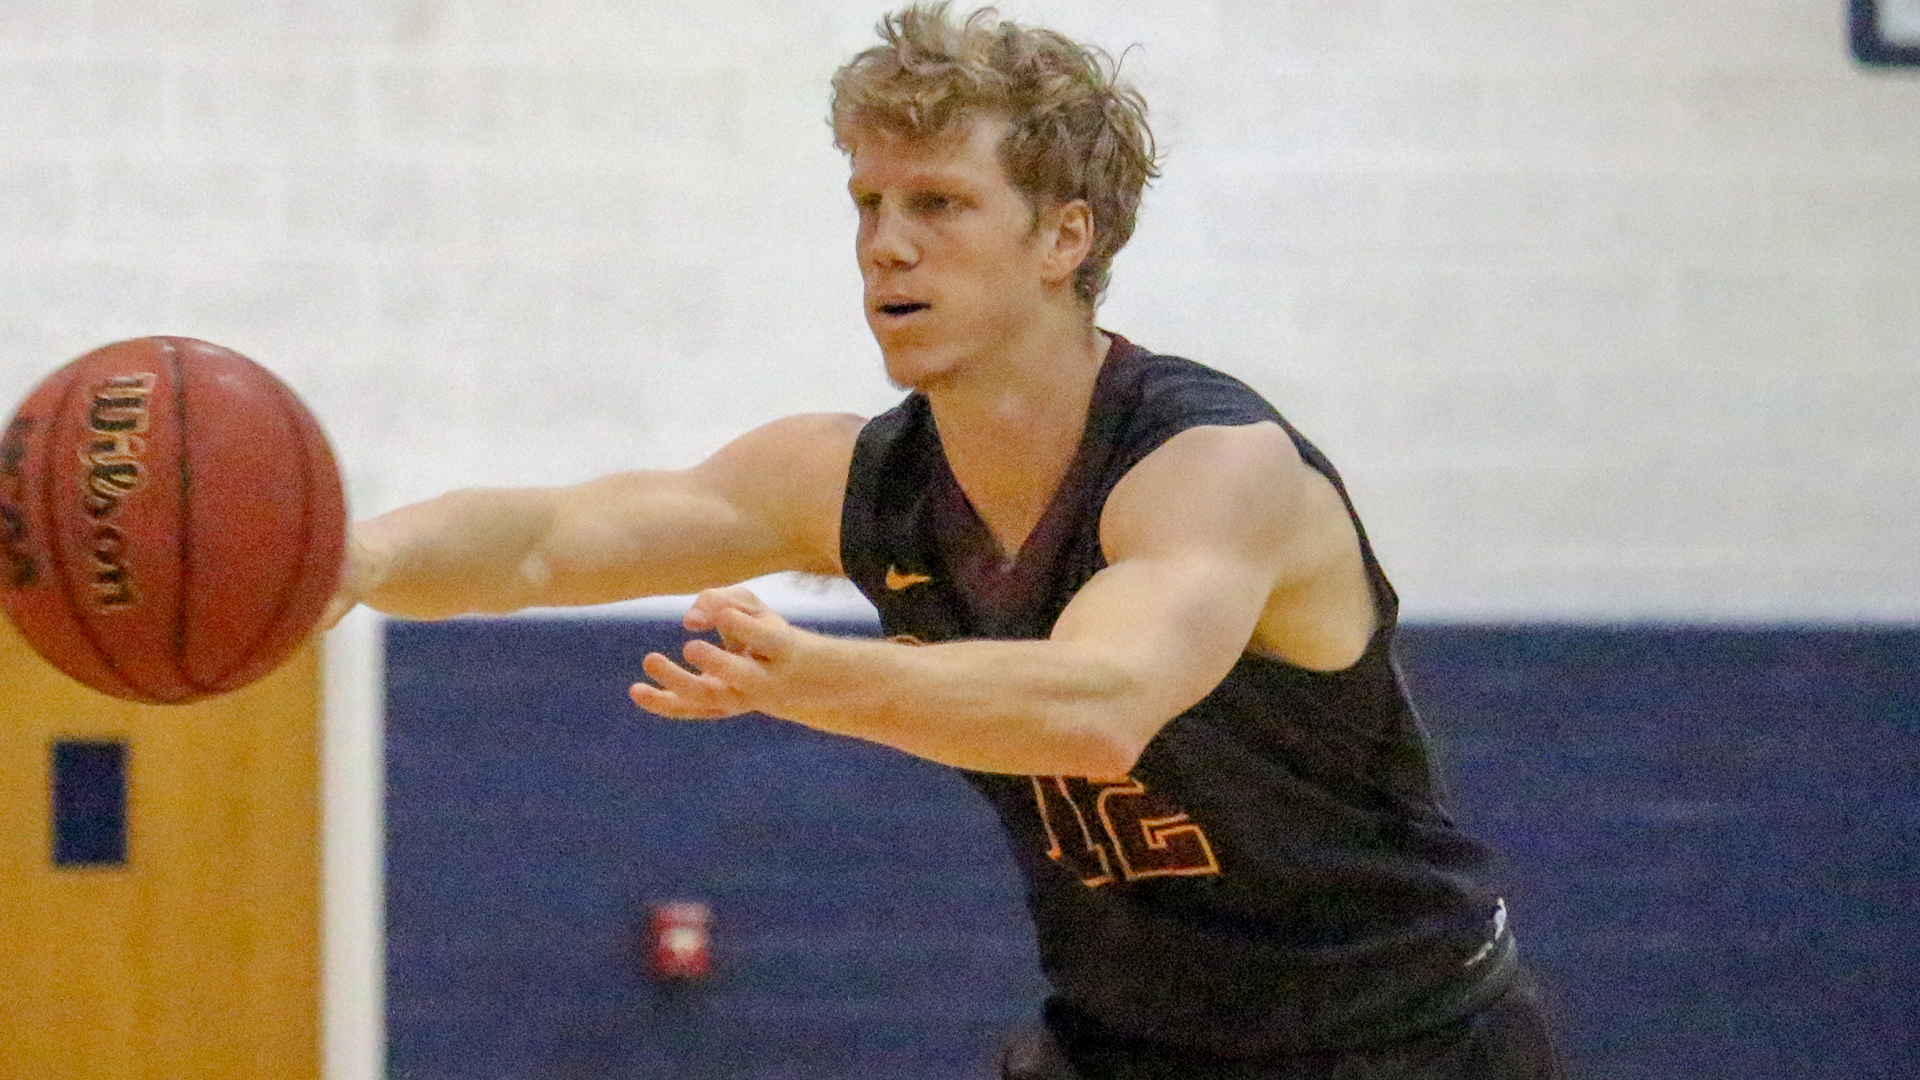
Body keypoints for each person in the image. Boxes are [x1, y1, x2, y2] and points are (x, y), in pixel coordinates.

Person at [329, 5, 1564, 1077]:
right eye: (868, 203)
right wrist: (355, 557)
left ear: (1065, 238)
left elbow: (1100, 705)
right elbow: (550, 538)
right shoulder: (860, 476)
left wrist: (829, 679)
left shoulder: (1211, 466)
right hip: (1123, 1043)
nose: (886, 243)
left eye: (939, 204)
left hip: (1400, 1043)